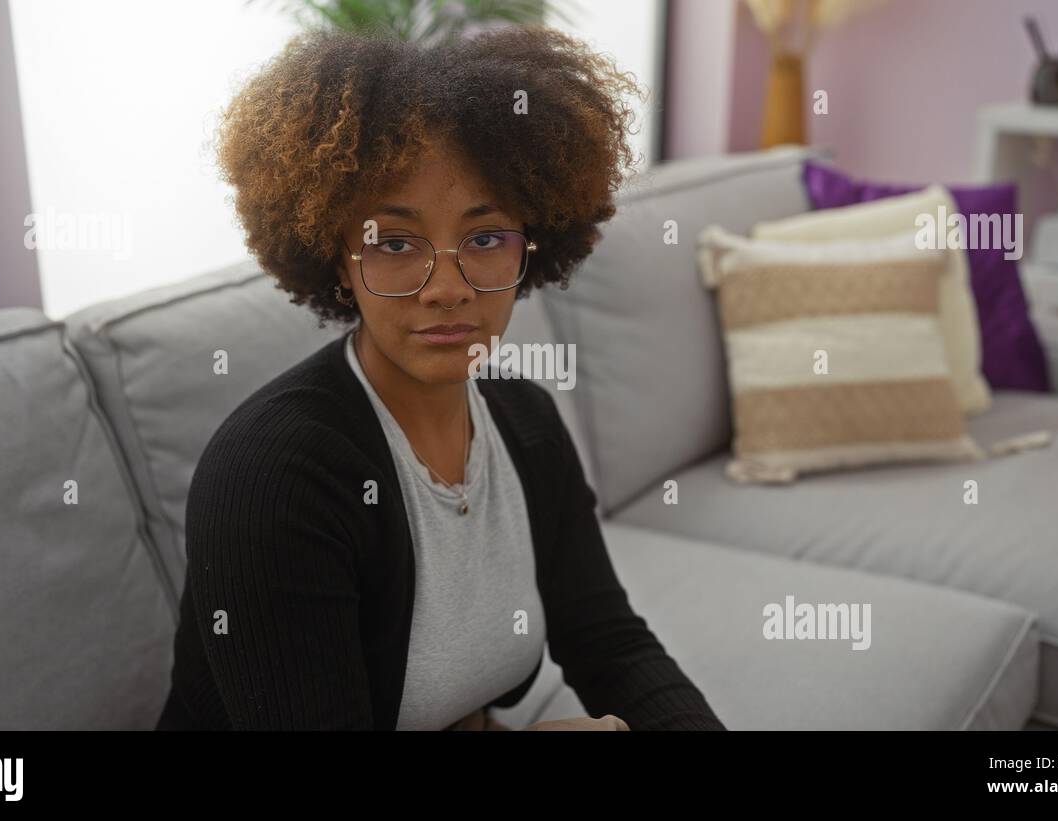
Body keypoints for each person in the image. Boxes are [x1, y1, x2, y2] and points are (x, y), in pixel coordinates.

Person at [156, 25, 724, 731]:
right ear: (339, 260)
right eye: (395, 243)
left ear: (533, 244)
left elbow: (611, 643)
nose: (447, 288)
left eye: (484, 238)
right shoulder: (273, 475)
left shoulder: (527, 425)